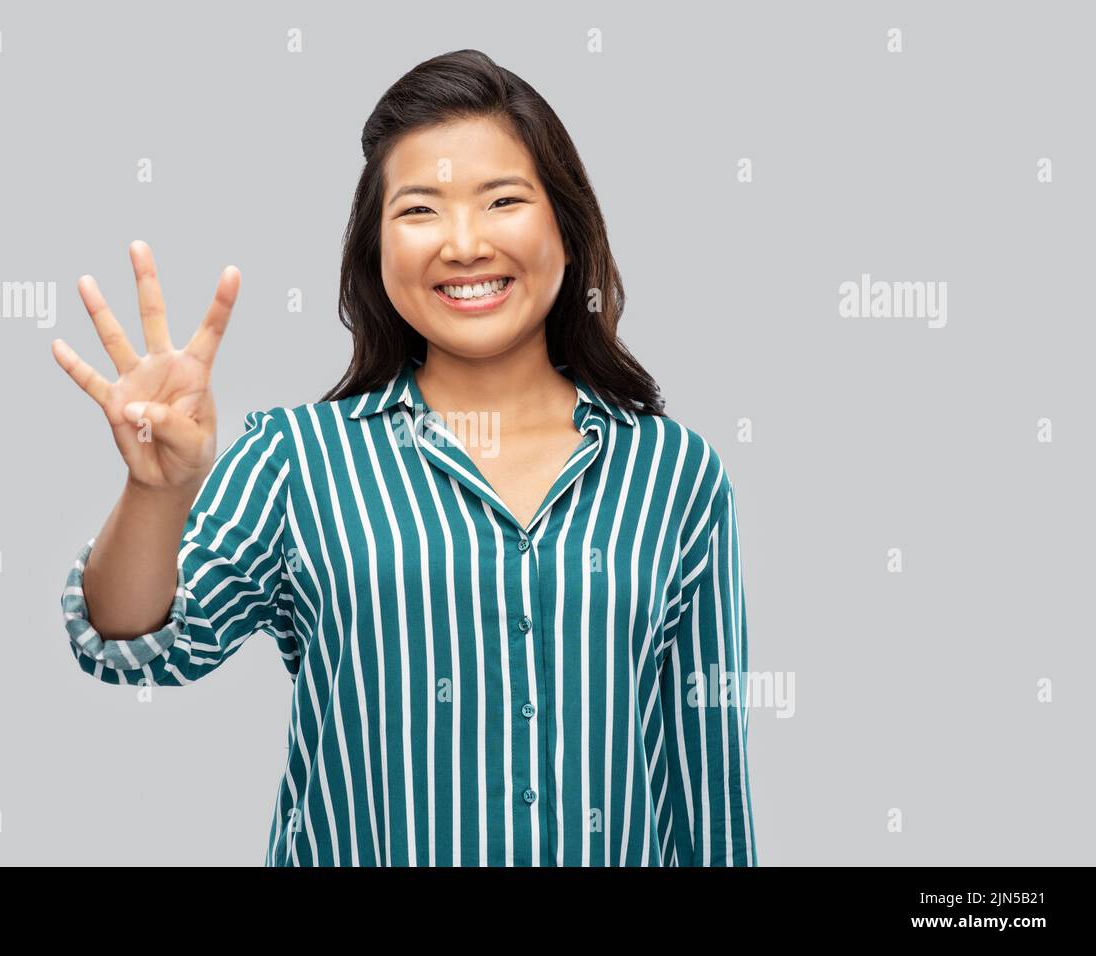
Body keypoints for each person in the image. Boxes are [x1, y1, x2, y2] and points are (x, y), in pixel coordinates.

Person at [51, 49, 756, 867]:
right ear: (375, 255)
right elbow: (134, 646)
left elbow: (708, 781)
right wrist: (156, 493)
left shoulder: (674, 474)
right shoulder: (296, 459)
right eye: (420, 211)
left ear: (565, 228)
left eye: (503, 201)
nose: (463, 244)